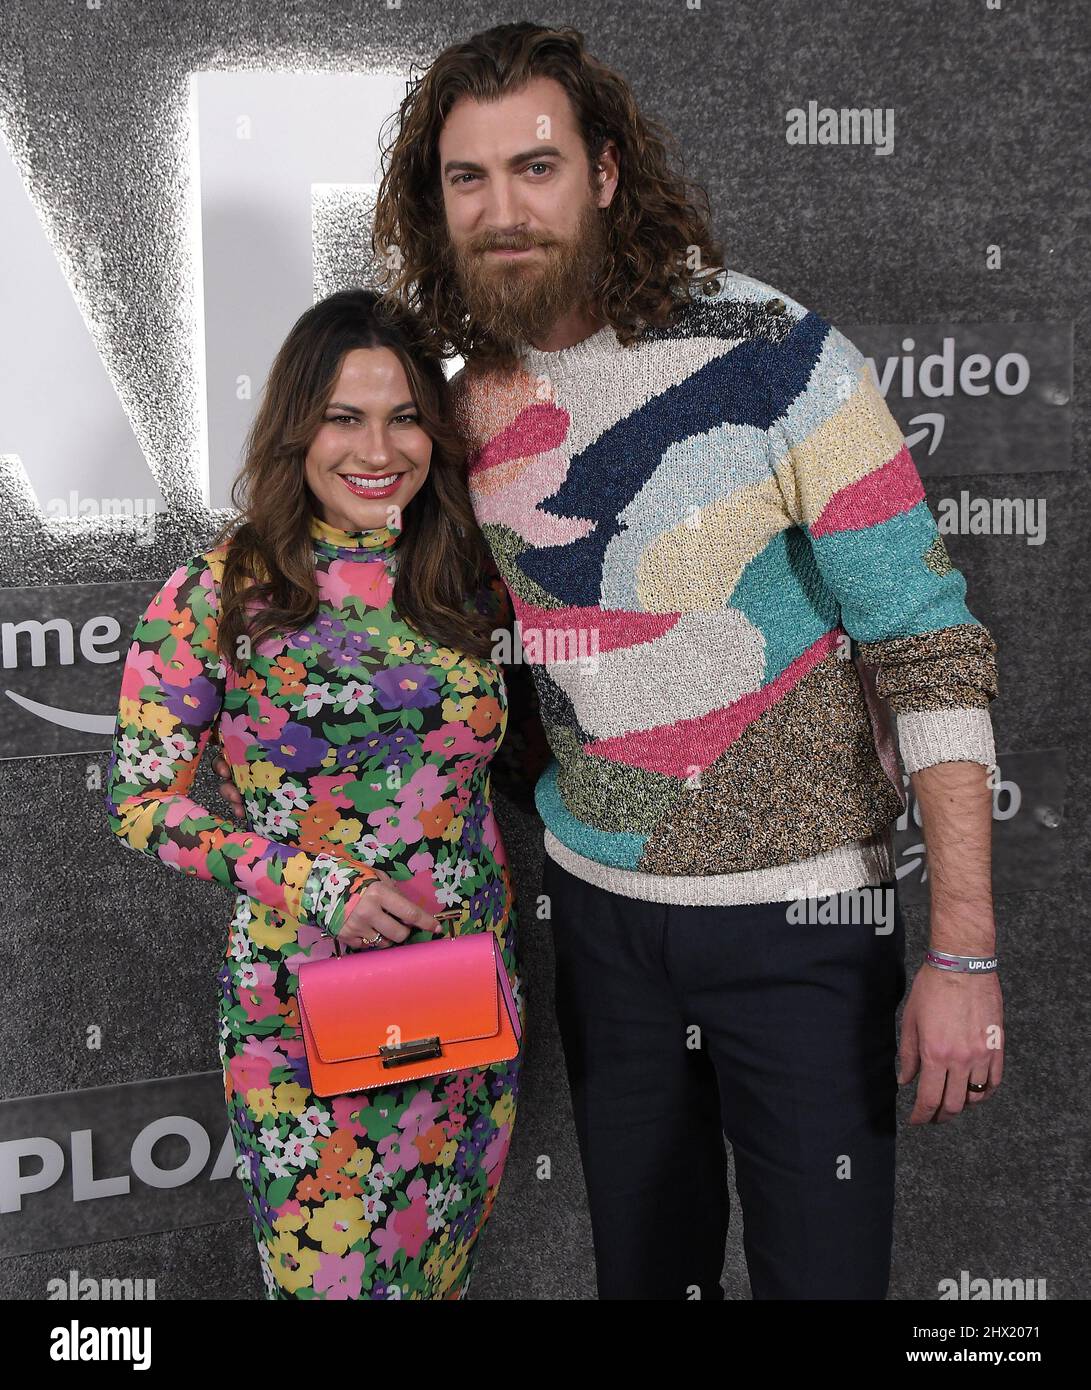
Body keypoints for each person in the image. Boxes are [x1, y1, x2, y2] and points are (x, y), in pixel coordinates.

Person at [222, 23, 1005, 1300]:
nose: (500, 208)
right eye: (465, 179)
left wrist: (963, 953)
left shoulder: (780, 359)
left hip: (803, 924)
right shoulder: (455, 404)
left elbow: (926, 647)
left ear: (604, 172)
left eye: (533, 167)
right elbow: (363, 594)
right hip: (598, 923)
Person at [104, 287, 547, 1299]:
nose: (376, 447)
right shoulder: (218, 590)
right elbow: (142, 801)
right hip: (305, 1014)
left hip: (463, 997)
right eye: (344, 417)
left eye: (403, 417)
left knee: (437, 1276)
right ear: (297, 427)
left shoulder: (469, 578)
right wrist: (311, 881)